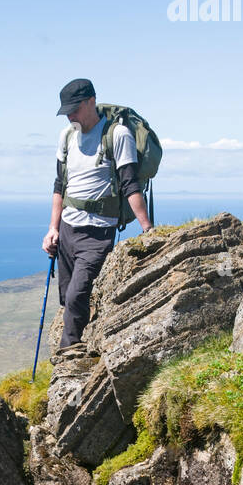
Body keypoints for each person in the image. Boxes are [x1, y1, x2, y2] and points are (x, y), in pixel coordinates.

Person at [42, 78, 153, 361]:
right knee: (67, 295)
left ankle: (69, 351)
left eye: (74, 109)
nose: (70, 116)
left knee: (78, 292)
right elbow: (59, 186)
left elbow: (130, 185)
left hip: (98, 231)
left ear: (90, 101)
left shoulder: (117, 134)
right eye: (66, 111)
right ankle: (77, 346)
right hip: (67, 228)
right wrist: (52, 229)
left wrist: (147, 228)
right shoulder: (66, 136)